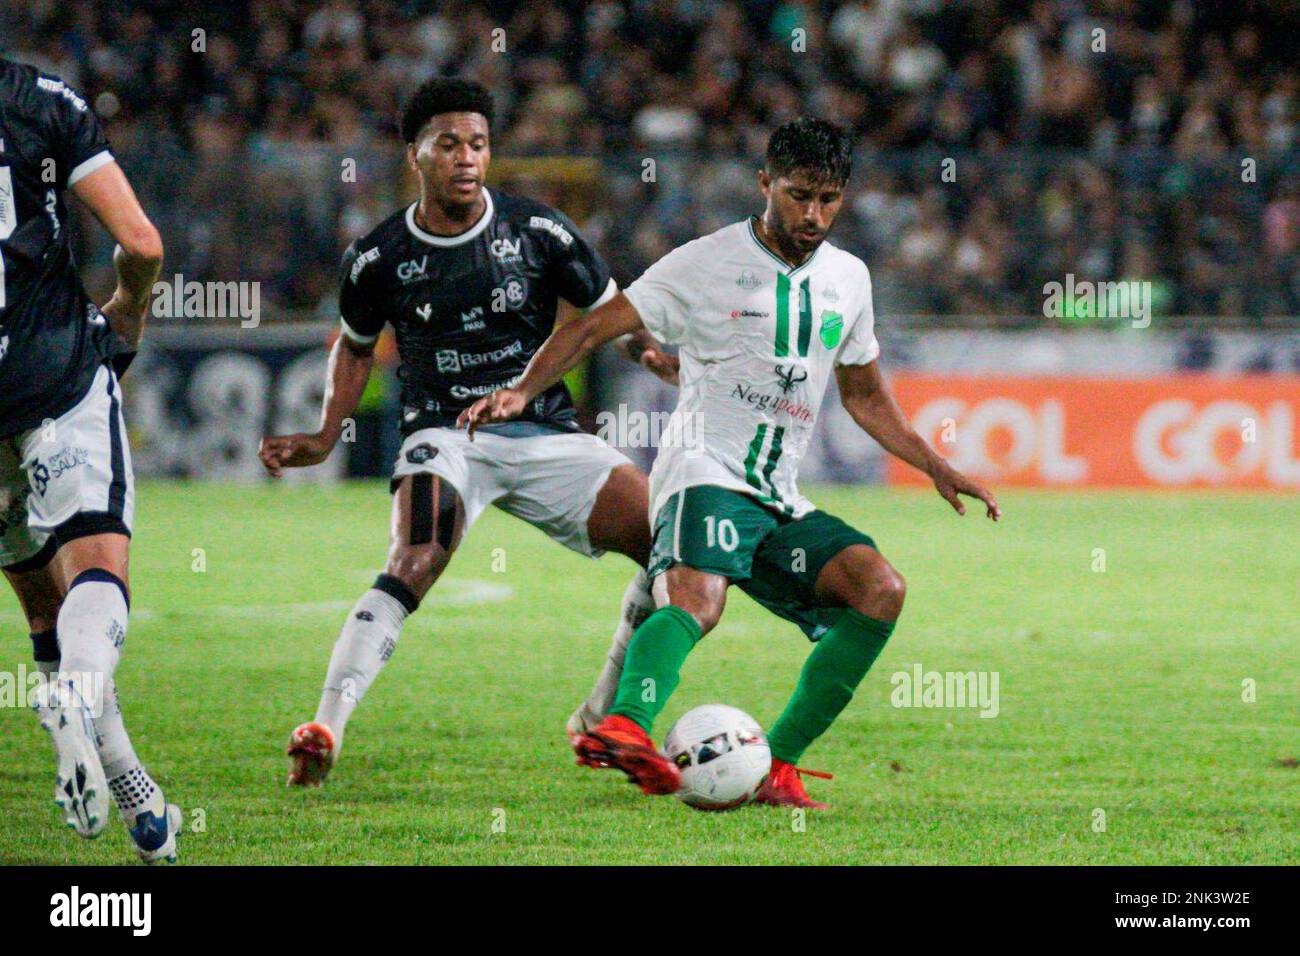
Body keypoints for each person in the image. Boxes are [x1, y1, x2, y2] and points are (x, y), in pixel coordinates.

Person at [461, 117, 1001, 808]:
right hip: (703, 468)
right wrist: (520, 391)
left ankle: (776, 767)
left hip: (777, 495)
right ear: (765, 184)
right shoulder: (706, 262)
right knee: (699, 597)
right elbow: (596, 324)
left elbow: (863, 393)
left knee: (879, 590)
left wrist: (935, 463)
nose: (813, 215)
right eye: (800, 195)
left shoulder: (849, 278)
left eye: (829, 199)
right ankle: (624, 727)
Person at [259, 78, 676, 786]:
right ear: (415, 153)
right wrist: (329, 432)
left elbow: (610, 314)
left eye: (478, 144)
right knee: (415, 558)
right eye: (448, 143)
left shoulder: (537, 230)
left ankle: (601, 721)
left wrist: (651, 354)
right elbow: (355, 347)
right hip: (444, 435)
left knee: (672, 545)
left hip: (544, 431)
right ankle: (325, 726)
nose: (466, 158)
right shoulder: (378, 257)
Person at [0, 59, 179, 861]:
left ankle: (144, 807)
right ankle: (73, 697)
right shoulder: (41, 101)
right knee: (96, 575)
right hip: (53, 372)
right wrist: (128, 317)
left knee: (46, 610)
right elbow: (140, 243)